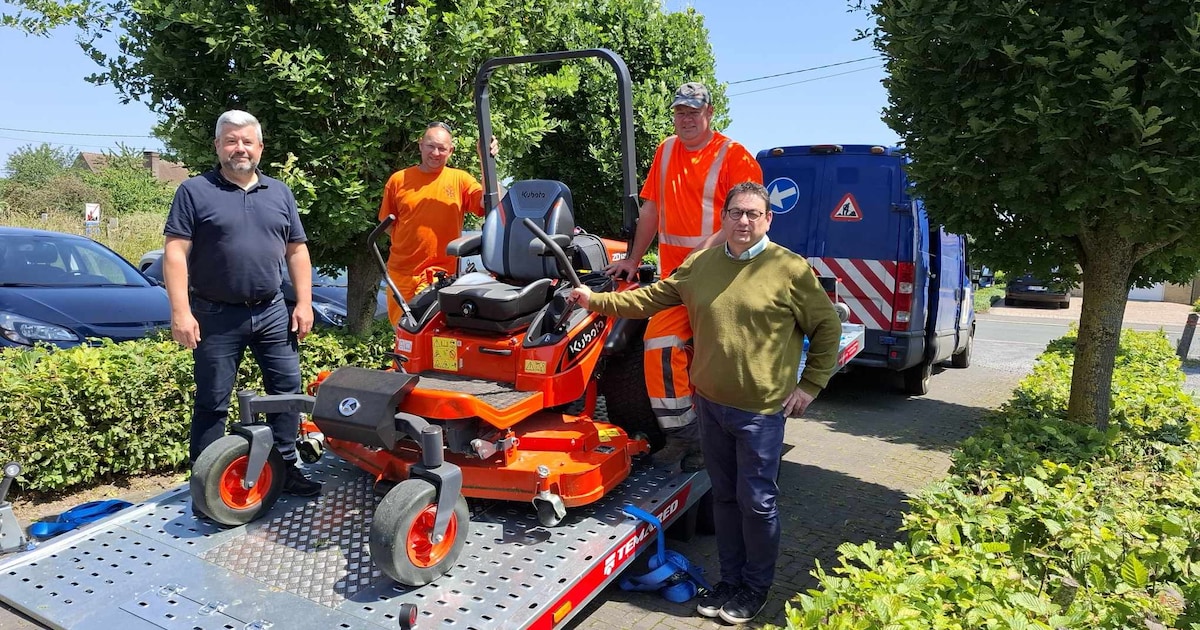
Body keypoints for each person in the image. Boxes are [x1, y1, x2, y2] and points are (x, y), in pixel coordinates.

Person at [572, 182, 842, 625]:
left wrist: (810, 385)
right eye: (736, 212)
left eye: (753, 214)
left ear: (768, 219)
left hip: (760, 413)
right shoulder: (701, 264)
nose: (744, 221)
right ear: (724, 218)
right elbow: (649, 299)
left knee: (758, 504)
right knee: (725, 500)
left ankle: (755, 588)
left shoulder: (789, 269)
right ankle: (730, 581)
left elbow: (827, 327)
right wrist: (595, 300)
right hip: (711, 408)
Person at [163, 109, 321, 501]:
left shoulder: (280, 193)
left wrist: (304, 302)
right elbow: (175, 252)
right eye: (231, 141)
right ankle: (206, 483)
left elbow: (297, 250)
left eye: (247, 141)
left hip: (272, 312)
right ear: (218, 146)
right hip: (214, 314)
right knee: (212, 400)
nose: (240, 148)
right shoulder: (194, 191)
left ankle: (284, 469)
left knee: (286, 393)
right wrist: (181, 312)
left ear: (260, 147)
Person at [605, 82, 763, 471]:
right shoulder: (666, 151)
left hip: (725, 276)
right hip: (677, 282)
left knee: (723, 361)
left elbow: (741, 222)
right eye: (680, 112)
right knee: (659, 346)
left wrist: (696, 258)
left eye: (694, 112)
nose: (686, 119)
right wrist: (632, 259)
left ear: (710, 113)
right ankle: (685, 436)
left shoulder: (735, 156)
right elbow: (651, 210)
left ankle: (731, 437)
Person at [377, 121, 497, 327]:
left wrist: (486, 159)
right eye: (430, 146)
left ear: (451, 151)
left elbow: (488, 203)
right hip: (402, 275)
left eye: (442, 148)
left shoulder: (459, 179)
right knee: (403, 334)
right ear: (420, 145)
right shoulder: (398, 180)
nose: (435, 153)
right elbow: (387, 224)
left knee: (436, 335)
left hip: (441, 277)